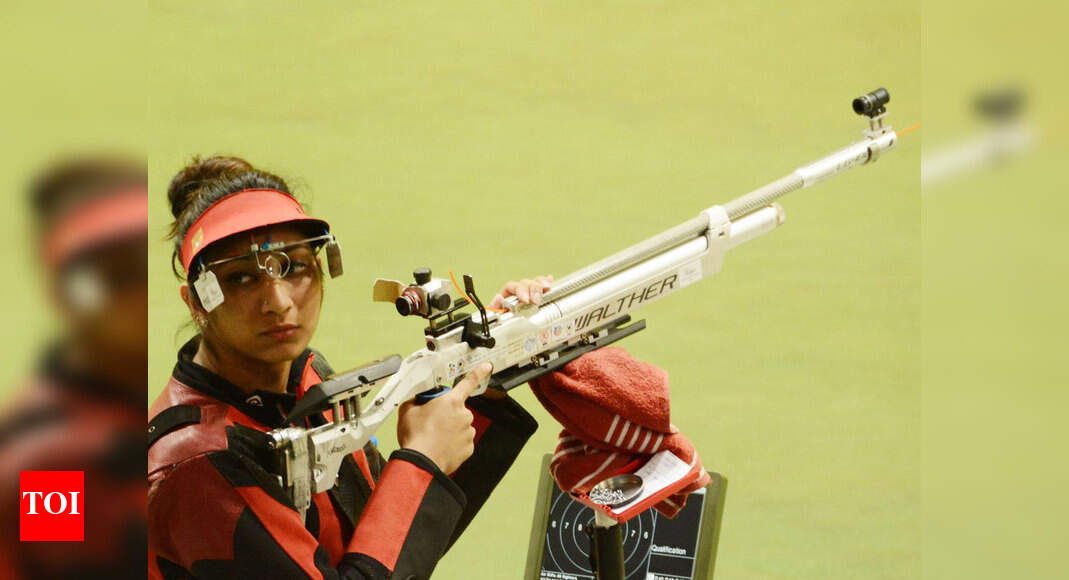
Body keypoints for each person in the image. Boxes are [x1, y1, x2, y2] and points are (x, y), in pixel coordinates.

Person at [147, 156, 549, 579]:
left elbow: (393, 552)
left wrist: (483, 372)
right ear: (196, 302)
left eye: (295, 267)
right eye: (242, 279)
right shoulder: (199, 466)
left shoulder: (306, 376)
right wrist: (422, 459)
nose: (279, 302)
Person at [0, 156, 148, 579]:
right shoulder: (52, 463)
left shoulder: (133, 403)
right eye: (119, 278)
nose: (140, 296)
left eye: (145, 267)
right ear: (67, 295)